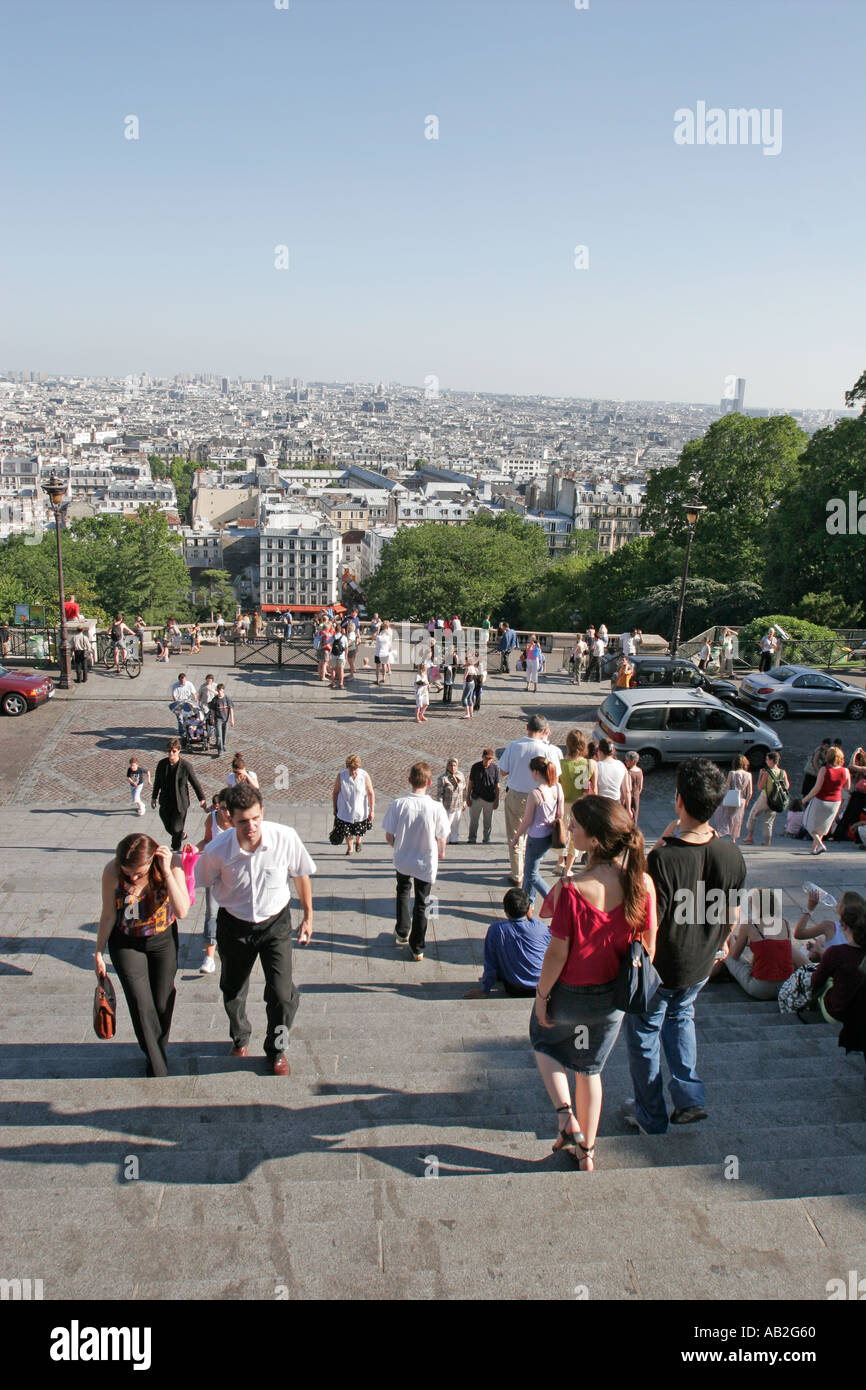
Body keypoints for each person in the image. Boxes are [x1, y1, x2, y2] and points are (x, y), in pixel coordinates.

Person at [531, 796, 657, 1171]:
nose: (569, 830)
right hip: (613, 998)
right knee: (589, 1069)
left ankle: (565, 1116)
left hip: (570, 992)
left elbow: (556, 954)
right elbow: (649, 944)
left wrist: (541, 995)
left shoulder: (572, 889)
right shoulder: (642, 884)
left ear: (596, 841)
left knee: (544, 1041)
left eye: (575, 826)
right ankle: (587, 1153)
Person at [623, 758, 746, 1134]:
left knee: (644, 1034)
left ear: (678, 801)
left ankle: (650, 1114)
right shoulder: (732, 854)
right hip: (699, 965)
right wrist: (720, 949)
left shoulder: (664, 858)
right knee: (682, 1018)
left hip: (662, 968)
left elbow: (644, 915)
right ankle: (689, 1097)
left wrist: (653, 848)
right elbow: (733, 914)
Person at [195, 782, 315, 1074]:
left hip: (275, 923)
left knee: (283, 995)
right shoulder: (217, 850)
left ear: (263, 812)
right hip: (234, 924)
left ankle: (277, 1050)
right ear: (230, 819)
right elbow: (202, 879)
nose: (251, 826)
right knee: (232, 988)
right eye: (243, 821)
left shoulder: (285, 838)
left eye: (255, 818)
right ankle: (240, 1034)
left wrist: (309, 917)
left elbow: (300, 875)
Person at [95, 833, 190, 1076]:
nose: (133, 877)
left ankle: (157, 1049)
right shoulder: (112, 871)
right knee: (140, 1003)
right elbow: (108, 915)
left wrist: (167, 872)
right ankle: (157, 1064)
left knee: (162, 1001)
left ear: (151, 860)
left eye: (139, 872)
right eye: (128, 872)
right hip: (125, 943)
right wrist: (98, 952)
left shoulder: (169, 865)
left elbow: (182, 910)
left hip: (162, 940)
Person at [382, 761, 450, 961]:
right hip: (425, 861)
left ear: (409, 780)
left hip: (403, 859)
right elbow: (442, 836)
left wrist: (397, 847)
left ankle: (402, 930)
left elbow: (389, 835)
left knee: (403, 891)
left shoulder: (399, 804)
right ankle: (417, 947)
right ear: (429, 783)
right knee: (423, 902)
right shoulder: (436, 807)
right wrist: (441, 853)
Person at [499, 715, 563, 886]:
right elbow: (556, 777)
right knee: (535, 835)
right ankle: (530, 869)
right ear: (544, 731)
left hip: (517, 794)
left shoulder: (514, 746)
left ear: (526, 727)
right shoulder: (549, 750)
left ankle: (517, 874)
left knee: (515, 835)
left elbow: (503, 771)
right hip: (541, 797)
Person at [464, 888, 550, 999]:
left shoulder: (496, 930)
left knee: (502, 952)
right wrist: (531, 917)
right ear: (529, 909)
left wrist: (484, 990)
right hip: (542, 986)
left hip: (514, 988)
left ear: (506, 911)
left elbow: (490, 963)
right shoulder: (541, 929)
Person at [724, 890, 802, 999]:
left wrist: (730, 937)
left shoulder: (749, 924)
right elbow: (768, 947)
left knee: (725, 951)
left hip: (760, 989)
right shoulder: (785, 923)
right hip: (785, 986)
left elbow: (735, 955)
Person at [512, 756, 565, 909]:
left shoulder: (535, 794)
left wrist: (515, 838)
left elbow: (527, 821)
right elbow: (560, 813)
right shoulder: (557, 788)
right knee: (531, 869)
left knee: (531, 874)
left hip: (536, 837)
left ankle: (554, 900)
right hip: (549, 836)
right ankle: (529, 902)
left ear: (536, 772)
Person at [806, 897, 866, 1020]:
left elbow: (815, 982)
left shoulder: (836, 953)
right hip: (861, 1010)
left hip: (838, 1013)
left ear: (843, 925)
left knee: (826, 981)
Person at [197, 789, 233, 973]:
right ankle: (209, 956)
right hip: (215, 872)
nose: (227, 813)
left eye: (230, 809)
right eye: (223, 808)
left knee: (235, 911)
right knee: (211, 912)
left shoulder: (239, 820)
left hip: (235, 875)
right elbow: (206, 841)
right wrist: (195, 849)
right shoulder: (212, 819)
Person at [151, 738, 208, 851]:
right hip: (166, 801)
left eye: (173, 751)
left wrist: (202, 798)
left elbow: (195, 782)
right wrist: (154, 797)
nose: (171, 754)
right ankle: (180, 836)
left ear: (179, 751)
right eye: (169, 751)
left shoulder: (186, 766)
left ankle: (175, 848)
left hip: (180, 803)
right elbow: (157, 781)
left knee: (176, 828)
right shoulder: (162, 764)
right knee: (168, 825)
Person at [558, 731, 597, 874]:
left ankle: (560, 862)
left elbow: (558, 785)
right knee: (575, 835)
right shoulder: (590, 763)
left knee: (563, 834)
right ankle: (568, 867)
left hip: (565, 803)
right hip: (581, 805)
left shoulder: (561, 764)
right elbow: (595, 787)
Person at [802, 746, 850, 854]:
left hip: (821, 800)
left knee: (809, 824)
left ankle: (820, 845)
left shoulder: (824, 770)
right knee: (823, 826)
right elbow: (847, 788)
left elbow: (816, 788)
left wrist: (805, 799)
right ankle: (814, 849)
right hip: (835, 802)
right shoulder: (845, 771)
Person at [331, 754, 375, 855]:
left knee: (359, 830)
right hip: (345, 810)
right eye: (351, 769)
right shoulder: (341, 776)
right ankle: (350, 847)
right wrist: (335, 807)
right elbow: (335, 792)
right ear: (347, 767)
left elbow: (370, 793)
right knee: (347, 831)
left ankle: (359, 841)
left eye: (356, 769)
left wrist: (372, 810)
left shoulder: (364, 775)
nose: (353, 771)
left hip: (361, 811)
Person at [742, 752, 789, 846]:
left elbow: (760, 786)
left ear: (771, 760)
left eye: (767, 759)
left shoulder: (767, 772)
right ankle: (767, 841)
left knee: (753, 814)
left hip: (765, 797)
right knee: (768, 821)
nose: (766, 761)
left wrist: (760, 775)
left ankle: (750, 837)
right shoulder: (782, 772)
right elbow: (787, 786)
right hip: (775, 800)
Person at [711, 755, 753, 842]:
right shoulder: (749, 775)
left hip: (731, 798)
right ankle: (733, 839)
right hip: (741, 800)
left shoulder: (732, 773)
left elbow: (727, 787)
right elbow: (750, 792)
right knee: (737, 819)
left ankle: (721, 834)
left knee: (724, 816)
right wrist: (747, 801)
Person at [833, 747, 866, 842]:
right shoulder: (863, 769)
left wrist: (855, 752)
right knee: (851, 816)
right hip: (859, 796)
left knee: (850, 816)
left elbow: (851, 766)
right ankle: (851, 836)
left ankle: (848, 836)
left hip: (861, 796)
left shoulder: (864, 769)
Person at [467, 748, 500, 845]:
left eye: (490, 759)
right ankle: (472, 838)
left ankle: (486, 839)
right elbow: (470, 783)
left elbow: (497, 786)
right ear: (482, 757)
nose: (487, 761)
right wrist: (467, 797)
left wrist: (497, 800)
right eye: (486, 758)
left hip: (489, 799)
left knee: (488, 821)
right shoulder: (475, 767)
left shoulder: (495, 768)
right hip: (476, 797)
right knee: (474, 820)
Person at [435, 758, 467, 844]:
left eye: (454, 765)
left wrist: (464, 802)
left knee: (456, 823)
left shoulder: (461, 775)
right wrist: (440, 806)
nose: (452, 767)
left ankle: (454, 839)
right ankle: (445, 839)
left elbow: (464, 790)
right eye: (451, 765)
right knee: (447, 824)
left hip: (458, 804)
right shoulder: (443, 778)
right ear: (448, 766)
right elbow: (439, 794)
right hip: (448, 805)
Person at [595, 739, 630, 814]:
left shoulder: (596, 766)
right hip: (615, 803)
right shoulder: (621, 765)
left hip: (600, 804)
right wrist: (628, 808)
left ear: (600, 751)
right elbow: (626, 790)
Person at [208, 683, 234, 754]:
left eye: (221, 690)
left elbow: (231, 709)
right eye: (219, 690)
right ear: (217, 690)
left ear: (223, 690)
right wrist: (212, 718)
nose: (220, 692)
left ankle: (224, 745)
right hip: (218, 719)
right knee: (219, 735)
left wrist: (232, 719)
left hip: (226, 719)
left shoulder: (227, 698)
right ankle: (220, 749)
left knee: (224, 734)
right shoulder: (215, 700)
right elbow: (212, 710)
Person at [624, 752, 644, 825]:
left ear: (632, 761)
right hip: (636, 796)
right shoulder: (640, 771)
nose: (625, 762)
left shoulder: (629, 773)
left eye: (627, 760)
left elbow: (627, 788)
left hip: (630, 797)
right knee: (635, 815)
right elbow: (641, 786)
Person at [374, 620, 392, 684]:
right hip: (385, 653)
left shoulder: (378, 637)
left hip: (378, 653)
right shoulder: (388, 637)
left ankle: (377, 679)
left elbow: (373, 636)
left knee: (377, 667)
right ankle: (383, 678)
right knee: (384, 665)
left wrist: (378, 630)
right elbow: (390, 645)